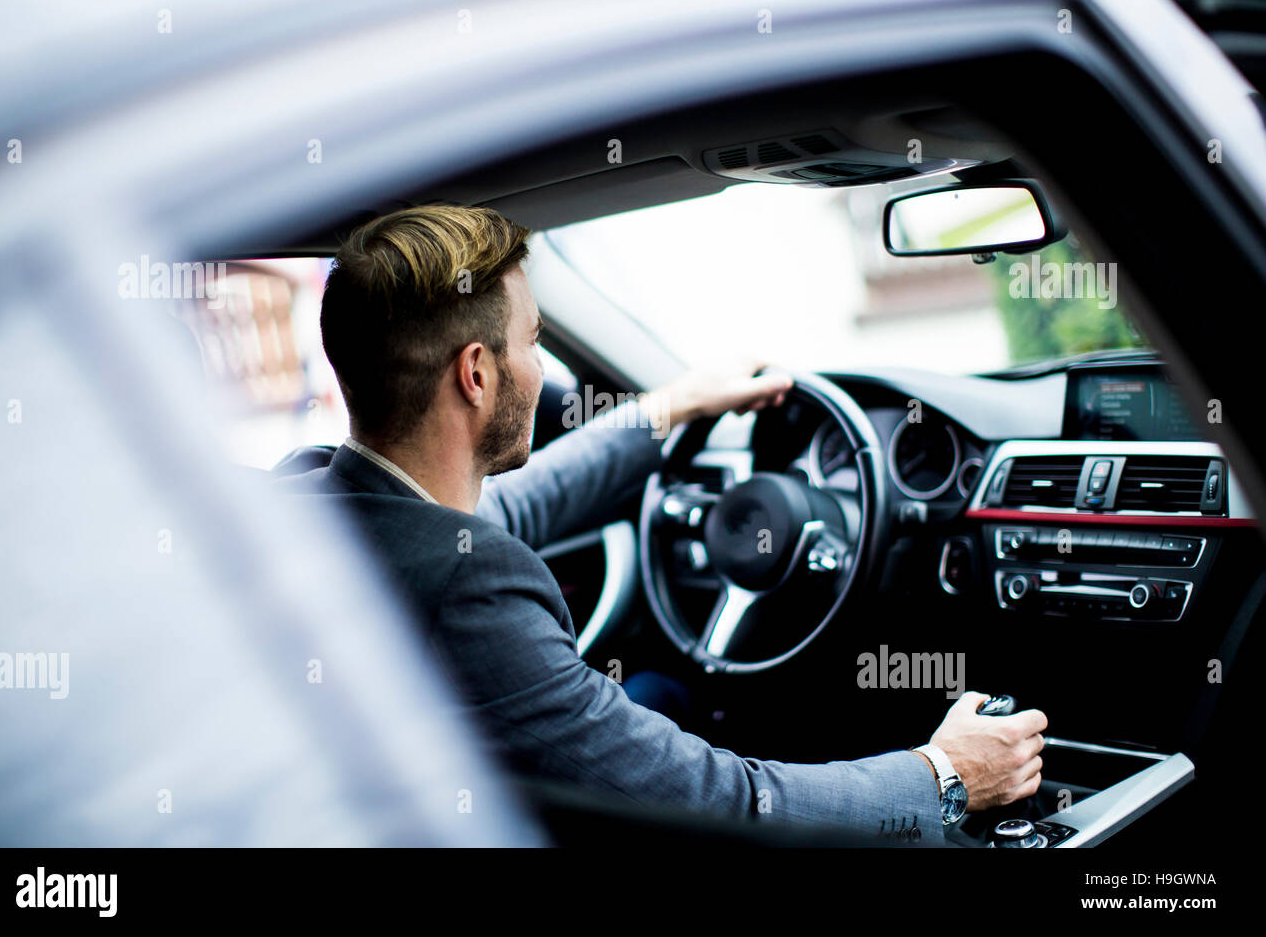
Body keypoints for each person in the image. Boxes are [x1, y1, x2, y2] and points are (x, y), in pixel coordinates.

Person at [274, 204, 1047, 842]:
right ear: (476, 374)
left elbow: (529, 498)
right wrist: (945, 777)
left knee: (657, 690)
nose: (541, 368)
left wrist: (674, 405)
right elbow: (720, 803)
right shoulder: (470, 586)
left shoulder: (314, 497)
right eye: (535, 341)